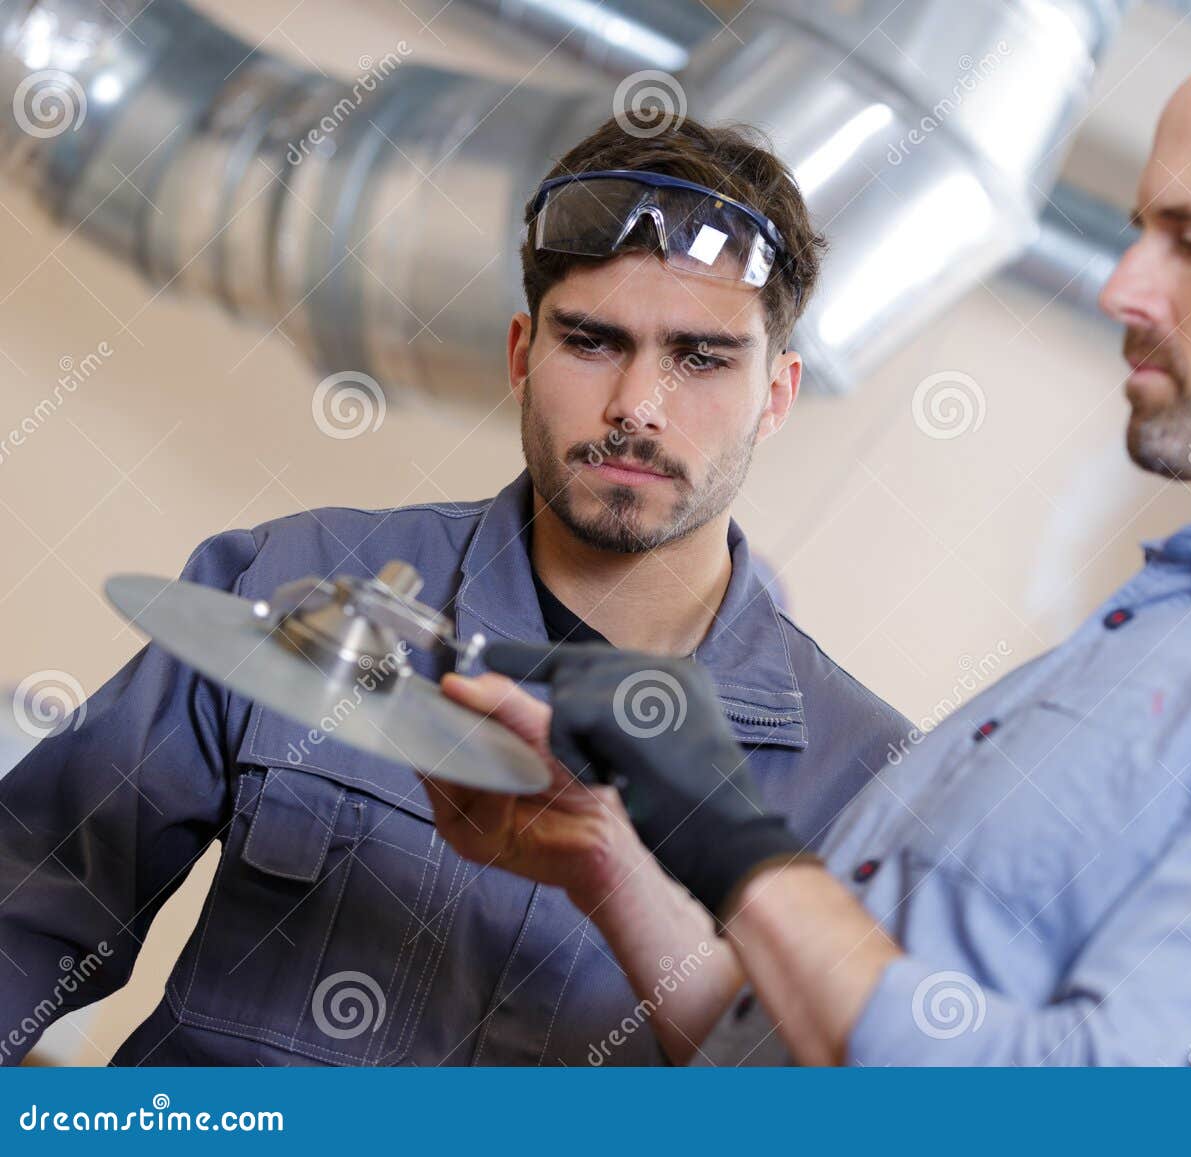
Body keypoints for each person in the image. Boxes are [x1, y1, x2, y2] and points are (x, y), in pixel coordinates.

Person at [424, 26, 1191, 1066]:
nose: (1123, 286)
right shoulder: (1155, 638)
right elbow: (832, 1060)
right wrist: (616, 866)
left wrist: (740, 848)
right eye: (1136, 234)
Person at [0, 116, 908, 1066]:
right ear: (522, 354)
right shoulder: (292, 585)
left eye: (701, 358)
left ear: (778, 393)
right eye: (593, 342)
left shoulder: (868, 784)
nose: (639, 404)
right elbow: (32, 901)